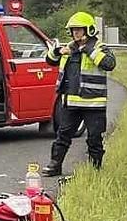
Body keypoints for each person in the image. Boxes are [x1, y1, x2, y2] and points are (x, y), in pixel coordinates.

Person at [40, 11, 115, 176]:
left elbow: (109, 64)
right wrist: (58, 51)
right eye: (73, 30)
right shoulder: (70, 47)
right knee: (62, 135)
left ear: (88, 30)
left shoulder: (99, 47)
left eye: (79, 30)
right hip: (70, 103)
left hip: (93, 103)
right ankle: (54, 165)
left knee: (94, 138)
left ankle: (95, 169)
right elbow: (50, 61)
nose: (75, 33)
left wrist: (87, 49)